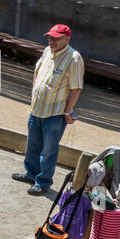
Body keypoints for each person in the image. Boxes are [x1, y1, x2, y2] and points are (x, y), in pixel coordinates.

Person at [13, 24, 84, 196]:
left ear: (67, 39)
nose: (52, 41)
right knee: (32, 145)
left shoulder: (74, 58)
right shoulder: (46, 51)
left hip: (55, 112)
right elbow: (37, 71)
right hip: (37, 108)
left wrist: (68, 111)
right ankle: (31, 174)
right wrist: (34, 90)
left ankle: (43, 182)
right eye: (50, 37)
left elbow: (76, 88)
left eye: (57, 38)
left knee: (48, 150)